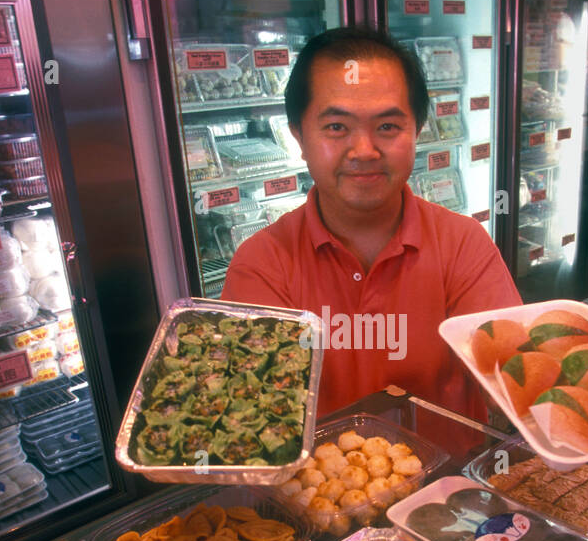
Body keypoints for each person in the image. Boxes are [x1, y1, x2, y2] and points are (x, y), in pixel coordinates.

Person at [221, 26, 520, 427]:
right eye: (336, 127)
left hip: (449, 487)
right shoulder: (262, 263)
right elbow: (247, 410)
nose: (364, 151)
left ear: (417, 130)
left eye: (387, 127)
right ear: (299, 136)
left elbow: (513, 377)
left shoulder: (462, 243)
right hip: (315, 488)